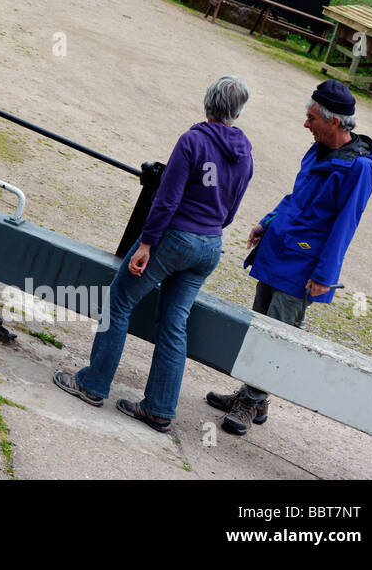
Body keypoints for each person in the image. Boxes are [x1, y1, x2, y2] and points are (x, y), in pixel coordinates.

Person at [55, 76, 254, 432]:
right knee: (175, 323)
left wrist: (147, 243)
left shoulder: (193, 140)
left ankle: (93, 384)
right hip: (210, 246)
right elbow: (231, 213)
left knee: (118, 303)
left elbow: (167, 198)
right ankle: (159, 409)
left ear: (208, 102)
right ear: (238, 112)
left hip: (175, 238)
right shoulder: (245, 154)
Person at [208, 79, 372, 435]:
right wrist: (267, 222)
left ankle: (249, 402)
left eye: (312, 118)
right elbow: (296, 197)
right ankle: (255, 397)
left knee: (277, 335)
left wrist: (324, 276)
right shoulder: (316, 151)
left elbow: (345, 226)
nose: (306, 123)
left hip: (302, 267)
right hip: (278, 251)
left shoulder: (359, 168)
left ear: (334, 122)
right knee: (260, 328)